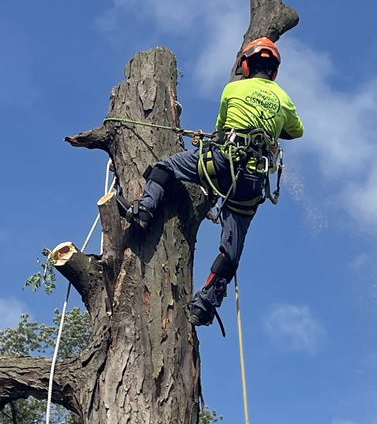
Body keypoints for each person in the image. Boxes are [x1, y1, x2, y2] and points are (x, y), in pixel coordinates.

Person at [124, 38, 303, 328]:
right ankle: (205, 304)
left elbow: (221, 130)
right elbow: (296, 131)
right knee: (231, 249)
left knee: (165, 166)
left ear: (245, 65)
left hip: (220, 161)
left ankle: (144, 210)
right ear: (274, 71)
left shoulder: (233, 88)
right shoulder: (283, 98)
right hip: (251, 179)